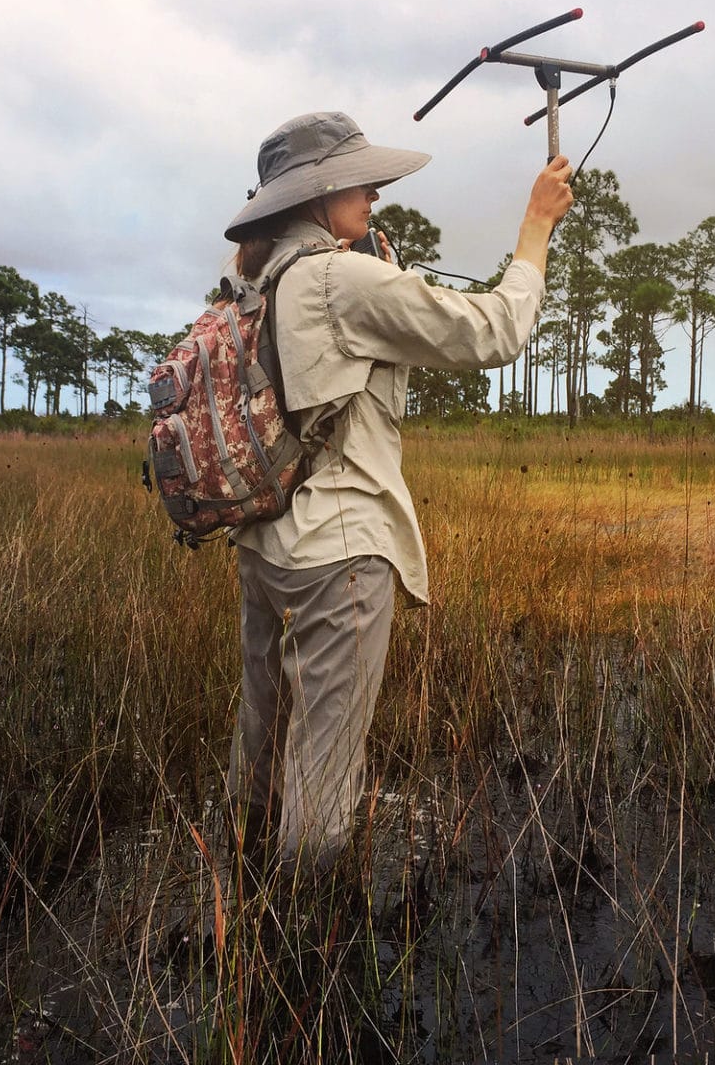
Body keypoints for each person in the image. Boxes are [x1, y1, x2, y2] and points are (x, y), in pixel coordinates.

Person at [222, 111, 573, 890]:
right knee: (323, 777)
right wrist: (535, 228)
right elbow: (494, 332)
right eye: (358, 179)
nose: (374, 189)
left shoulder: (256, 281)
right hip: (341, 554)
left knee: (264, 749)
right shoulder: (338, 279)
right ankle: (306, 954)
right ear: (315, 196)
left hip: (264, 547)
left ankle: (243, 921)